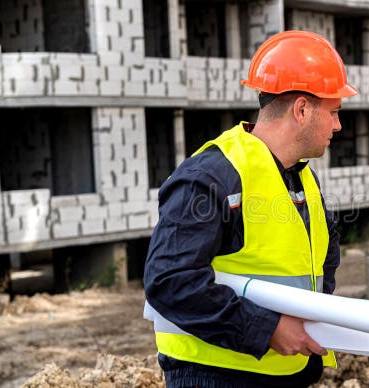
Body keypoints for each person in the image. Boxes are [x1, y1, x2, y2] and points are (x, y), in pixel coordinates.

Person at [143, 30, 357, 387]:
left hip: (285, 371)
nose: (338, 124)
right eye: (334, 111)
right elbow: (170, 281)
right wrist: (268, 328)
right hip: (215, 377)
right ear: (301, 109)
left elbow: (318, 266)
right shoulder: (211, 176)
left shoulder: (302, 179)